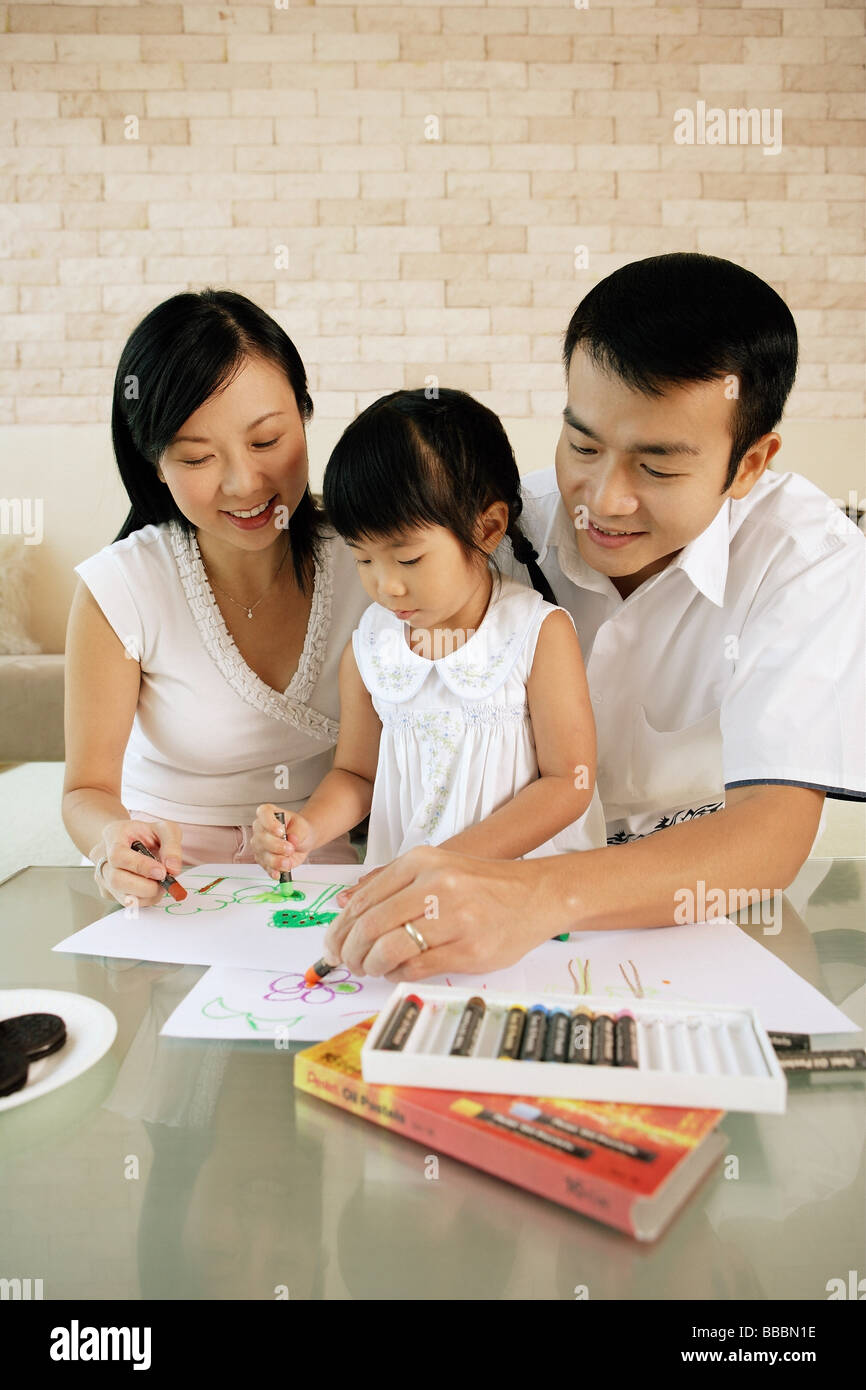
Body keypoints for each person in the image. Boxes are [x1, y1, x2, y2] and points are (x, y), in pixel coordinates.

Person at [321, 254, 866, 980]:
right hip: (490, 913)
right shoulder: (497, 529)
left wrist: (538, 895)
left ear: (748, 464)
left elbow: (768, 836)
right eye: (583, 444)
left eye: (658, 467)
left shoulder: (808, 559)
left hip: (699, 925)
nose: (603, 500)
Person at [62, 289, 369, 908]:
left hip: (312, 857)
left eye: (266, 442)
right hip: (166, 873)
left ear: (305, 415)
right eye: (198, 457)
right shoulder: (121, 588)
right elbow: (85, 791)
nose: (243, 484)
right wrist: (114, 841)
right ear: (155, 464)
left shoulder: (372, 561)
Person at [251, 388, 605, 880]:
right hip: (411, 890)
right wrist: (307, 828)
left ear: (487, 528)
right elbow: (357, 775)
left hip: (526, 893)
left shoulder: (535, 634)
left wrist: (448, 863)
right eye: (364, 559)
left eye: (408, 558)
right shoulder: (372, 648)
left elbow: (570, 783)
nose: (387, 585)